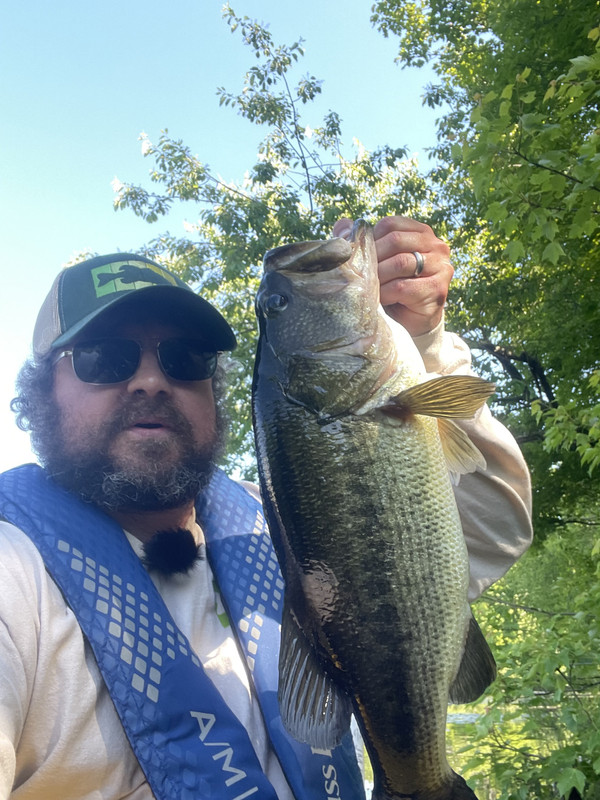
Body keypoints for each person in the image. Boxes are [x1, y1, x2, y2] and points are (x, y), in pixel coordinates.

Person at [0, 216, 533, 800]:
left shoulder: (277, 524)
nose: (151, 380)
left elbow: (494, 530)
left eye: (183, 357)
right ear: (39, 391)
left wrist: (422, 344)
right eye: (105, 357)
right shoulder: (14, 575)